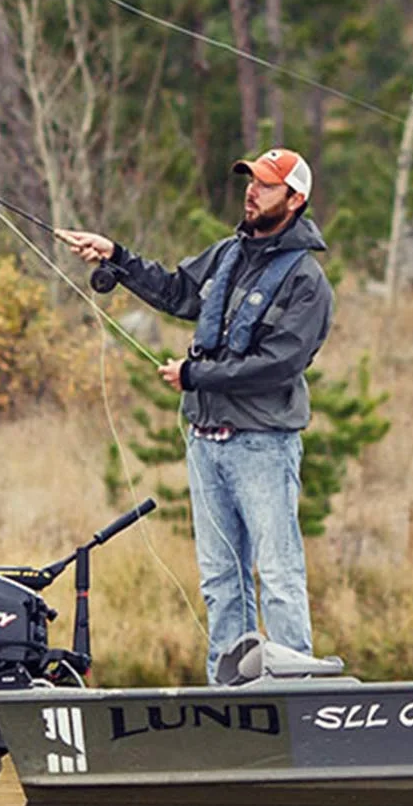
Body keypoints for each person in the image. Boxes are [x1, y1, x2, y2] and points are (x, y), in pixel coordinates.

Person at [56, 149, 335, 684]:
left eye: (266, 186)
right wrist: (116, 255)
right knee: (219, 579)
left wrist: (194, 376)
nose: (252, 192)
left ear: (295, 201)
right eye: (250, 182)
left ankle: (297, 688)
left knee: (277, 574)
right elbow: (177, 291)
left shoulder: (305, 281)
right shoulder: (228, 254)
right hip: (206, 443)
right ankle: (230, 690)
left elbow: (280, 365)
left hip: (263, 445)